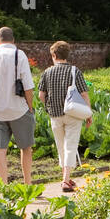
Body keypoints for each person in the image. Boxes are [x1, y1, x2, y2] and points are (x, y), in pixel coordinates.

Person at [0, 26, 36, 186]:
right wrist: (30, 107)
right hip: (18, 109)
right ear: (13, 40)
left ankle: (4, 186)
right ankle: (27, 184)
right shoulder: (20, 54)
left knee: (0, 150)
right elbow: (28, 87)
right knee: (26, 148)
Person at [38, 41, 92, 193]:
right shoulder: (75, 71)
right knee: (71, 146)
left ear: (54, 55)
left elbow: (41, 95)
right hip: (73, 114)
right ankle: (65, 181)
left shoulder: (47, 72)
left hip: (55, 115)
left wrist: (49, 105)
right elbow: (84, 94)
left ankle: (66, 177)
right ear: (67, 55)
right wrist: (88, 112)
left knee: (61, 147)